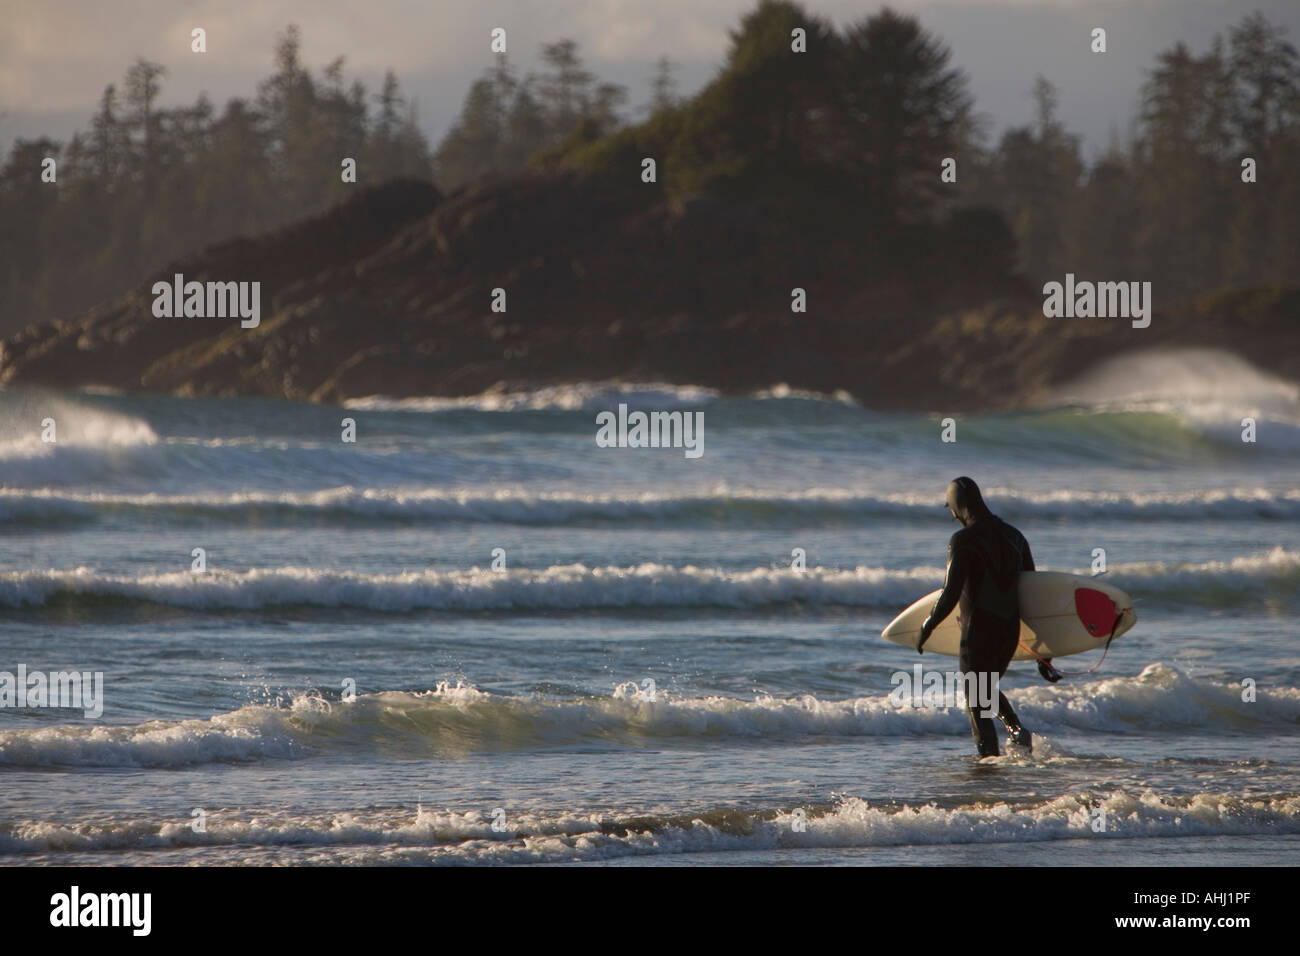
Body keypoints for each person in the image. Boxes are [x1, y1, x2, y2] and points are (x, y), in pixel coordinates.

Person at [917, 476, 1056, 757]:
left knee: (976, 702)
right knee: (986, 689)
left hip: (978, 634)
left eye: (951, 509)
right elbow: (1032, 593)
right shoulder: (1014, 536)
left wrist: (929, 624)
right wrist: (1045, 653)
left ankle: (988, 768)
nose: (953, 516)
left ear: (957, 507)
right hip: (1007, 633)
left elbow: (951, 592)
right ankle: (1017, 732)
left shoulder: (962, 540)